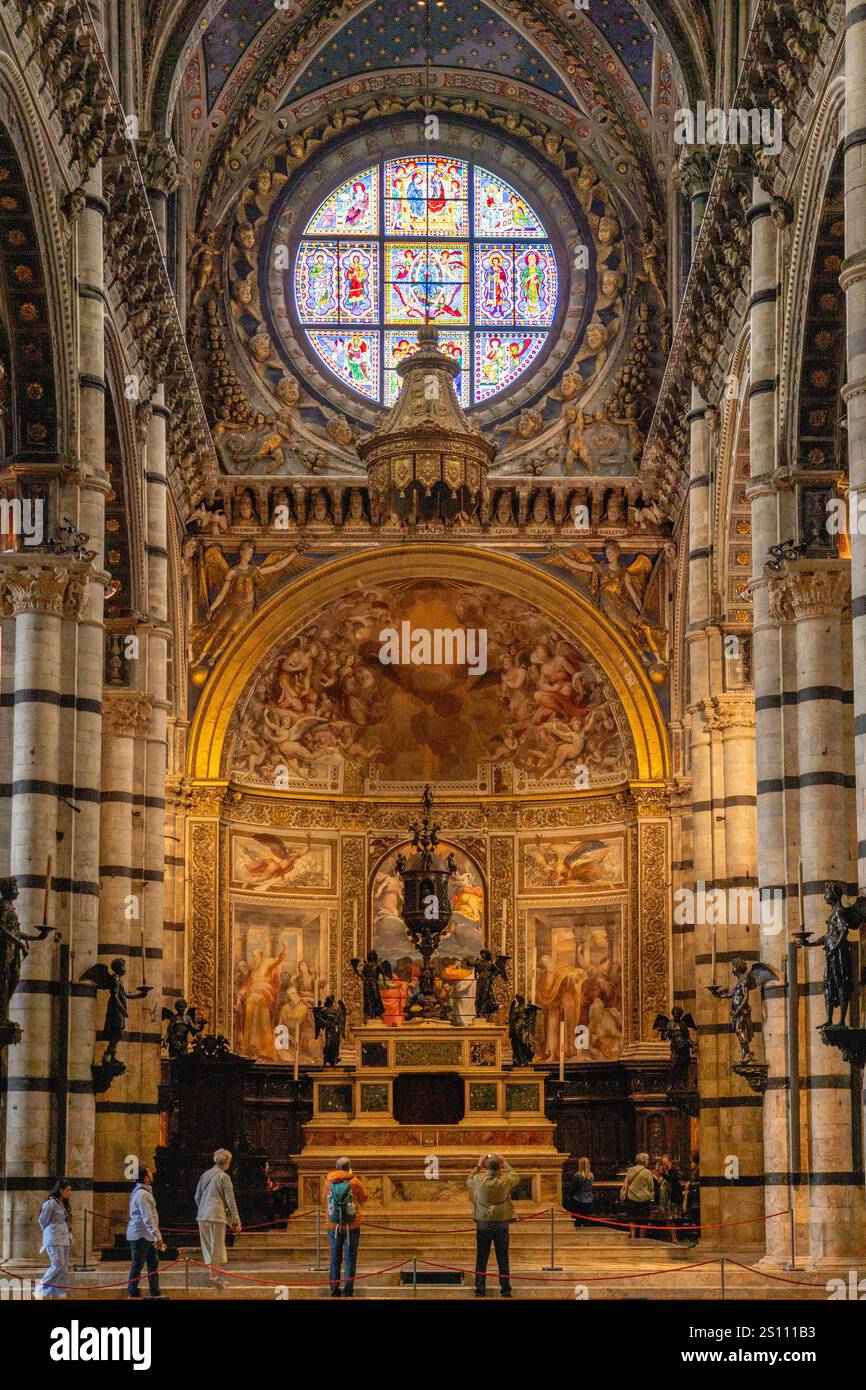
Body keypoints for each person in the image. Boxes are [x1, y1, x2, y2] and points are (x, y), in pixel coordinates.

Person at [467, 1153, 520, 1298]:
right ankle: (506, 1289)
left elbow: (468, 1180)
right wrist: (505, 1163)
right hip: (501, 1224)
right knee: (503, 1258)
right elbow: (516, 1177)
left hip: (483, 1224)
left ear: (486, 1166)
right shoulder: (506, 1180)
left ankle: (480, 1290)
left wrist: (478, 1164)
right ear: (500, 1167)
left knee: (481, 1258)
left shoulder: (478, 1180)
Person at [194, 1148, 242, 1290]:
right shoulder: (223, 1177)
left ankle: (213, 1276)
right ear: (227, 1162)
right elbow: (230, 1200)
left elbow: (197, 1196)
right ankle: (215, 1278)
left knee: (208, 1248)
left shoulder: (205, 1175)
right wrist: (236, 1221)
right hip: (216, 1216)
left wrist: (203, 1208)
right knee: (216, 1248)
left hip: (203, 1216)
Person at [324, 1155, 368, 1297]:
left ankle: (334, 1288)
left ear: (336, 1167)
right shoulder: (354, 1182)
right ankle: (348, 1289)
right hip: (352, 1225)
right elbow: (364, 1198)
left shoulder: (328, 1182)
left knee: (335, 1257)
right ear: (349, 1168)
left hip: (333, 1224)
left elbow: (324, 1198)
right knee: (350, 1258)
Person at [126, 1165, 166, 1298]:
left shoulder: (142, 1192)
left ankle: (155, 1292)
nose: (152, 1174)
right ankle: (132, 1292)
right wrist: (157, 1236)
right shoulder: (142, 1194)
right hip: (141, 1235)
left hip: (146, 1235)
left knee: (153, 1263)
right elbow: (147, 1217)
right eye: (149, 1173)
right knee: (137, 1265)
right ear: (145, 1177)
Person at [38, 1179, 73, 1299]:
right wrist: (49, 1234)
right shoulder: (51, 1203)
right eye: (67, 1190)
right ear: (61, 1190)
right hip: (54, 1238)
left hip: (64, 1238)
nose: (69, 1193)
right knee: (57, 1264)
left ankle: (60, 1294)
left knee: (63, 1268)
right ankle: (41, 1290)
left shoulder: (64, 1204)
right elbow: (43, 1220)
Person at [619, 1151, 654, 1239]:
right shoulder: (647, 1172)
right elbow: (651, 1187)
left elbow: (626, 1183)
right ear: (645, 1160)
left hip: (632, 1198)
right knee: (643, 1220)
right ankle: (642, 1238)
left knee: (632, 1219)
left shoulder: (630, 1170)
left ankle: (633, 1236)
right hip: (644, 1199)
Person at [570, 1156, 594, 1228]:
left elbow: (573, 1188)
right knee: (586, 1219)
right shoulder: (591, 1175)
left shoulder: (577, 1175)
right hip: (589, 1199)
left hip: (579, 1199)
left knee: (578, 1219)